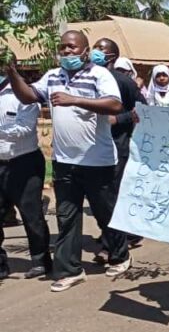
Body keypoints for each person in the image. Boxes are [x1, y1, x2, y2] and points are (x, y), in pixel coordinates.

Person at [5, 31, 132, 292]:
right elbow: (29, 96)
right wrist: (12, 72)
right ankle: (70, 269)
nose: (66, 52)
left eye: (72, 48)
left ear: (85, 51)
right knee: (67, 217)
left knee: (104, 212)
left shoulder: (99, 74)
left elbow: (115, 105)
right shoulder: (53, 76)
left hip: (98, 161)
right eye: (62, 48)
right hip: (64, 162)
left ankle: (120, 254)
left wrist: (74, 99)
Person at [91, 38, 147, 253]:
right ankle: (118, 234)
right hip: (90, 147)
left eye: (101, 49)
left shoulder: (123, 82)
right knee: (98, 196)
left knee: (111, 195)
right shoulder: (86, 79)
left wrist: (119, 119)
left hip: (117, 145)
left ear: (112, 57)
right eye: (94, 48)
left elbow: (143, 109)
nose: (95, 52)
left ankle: (113, 244)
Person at [0, 55, 52, 280]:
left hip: (24, 162)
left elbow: (24, 128)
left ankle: (41, 261)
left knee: (31, 214)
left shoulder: (22, 94)